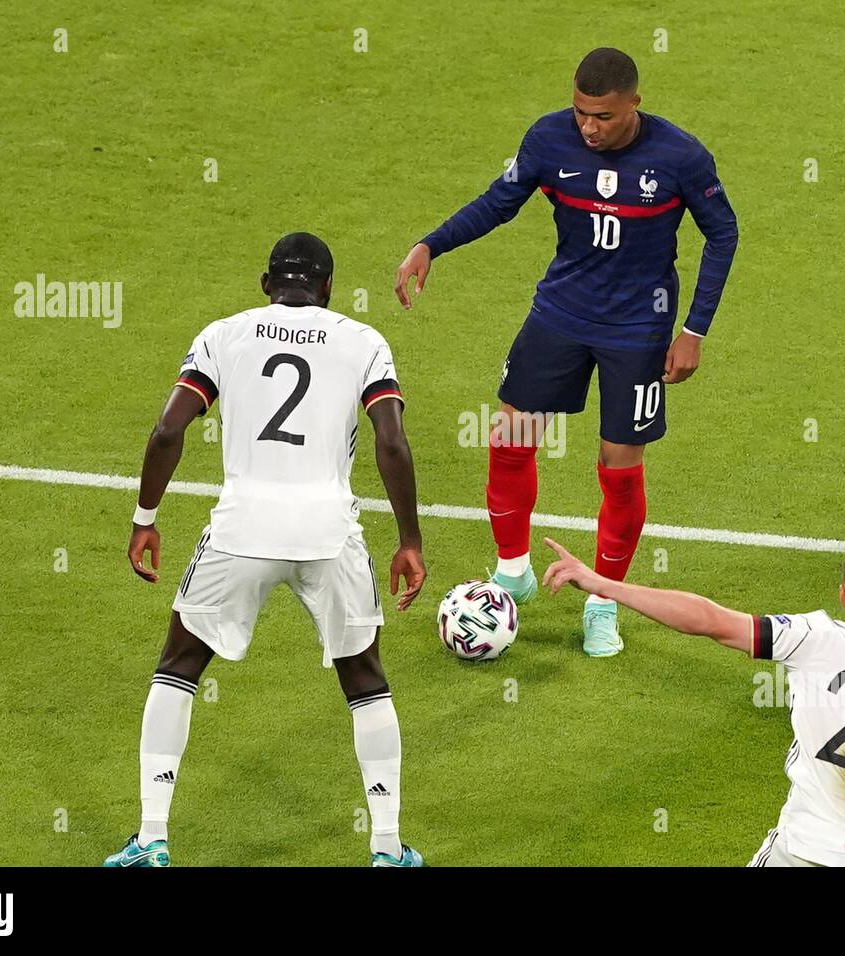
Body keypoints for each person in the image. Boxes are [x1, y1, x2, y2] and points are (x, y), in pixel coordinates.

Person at [395, 47, 738, 656]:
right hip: (560, 313)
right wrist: (430, 245)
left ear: (634, 103)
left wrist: (695, 330)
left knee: (619, 466)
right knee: (509, 437)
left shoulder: (680, 156)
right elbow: (499, 203)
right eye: (581, 112)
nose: (588, 126)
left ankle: (603, 601)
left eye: (602, 116)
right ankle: (512, 569)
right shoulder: (549, 139)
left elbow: (723, 231)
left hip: (638, 328)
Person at [105, 232, 427, 867]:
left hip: (241, 532)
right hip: (330, 534)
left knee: (179, 666)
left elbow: (170, 428)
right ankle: (387, 849)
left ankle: (151, 839)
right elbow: (391, 441)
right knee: (364, 677)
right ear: (328, 288)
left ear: (265, 284)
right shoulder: (364, 342)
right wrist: (409, 540)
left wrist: (146, 518)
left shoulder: (223, 335)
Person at [541, 537, 845, 865]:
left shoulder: (816, 636)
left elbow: (709, 619)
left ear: (844, 594)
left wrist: (604, 585)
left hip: (803, 851)